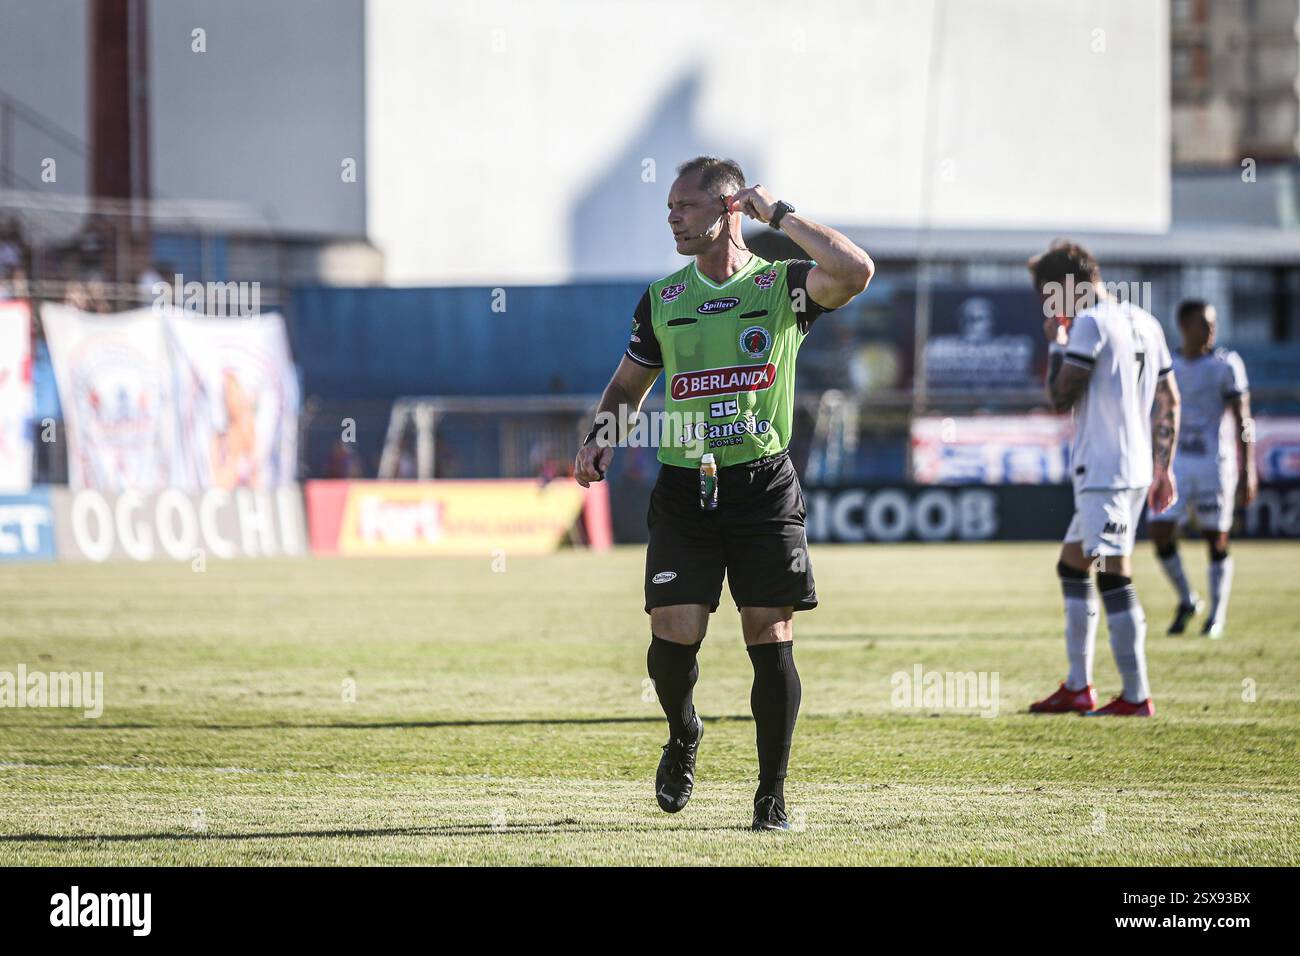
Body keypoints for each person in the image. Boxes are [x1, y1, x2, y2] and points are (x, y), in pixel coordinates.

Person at [572, 156, 874, 829]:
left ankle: (772, 796)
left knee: (768, 631)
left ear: (729, 209)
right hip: (686, 488)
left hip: (763, 486)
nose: (674, 217)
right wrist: (601, 435)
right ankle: (683, 733)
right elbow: (627, 386)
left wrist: (783, 215)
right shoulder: (662, 298)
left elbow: (855, 272)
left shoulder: (785, 287)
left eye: (686, 206)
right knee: (672, 633)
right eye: (671, 208)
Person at [1026, 241, 1180, 717]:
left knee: (1114, 575)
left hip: (1105, 471)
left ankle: (1136, 695)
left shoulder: (1089, 324)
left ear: (1063, 289)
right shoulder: (1145, 321)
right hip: (1131, 469)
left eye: (1048, 296)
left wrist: (1056, 340)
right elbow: (1169, 399)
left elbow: (1059, 396)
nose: (1046, 307)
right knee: (1073, 566)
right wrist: (1163, 466)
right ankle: (1078, 686)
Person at [1148, 300, 1256, 638]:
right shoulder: (1168, 362)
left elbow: (1244, 419)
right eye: (1203, 324)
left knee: (1216, 538)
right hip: (1177, 464)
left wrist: (1248, 469)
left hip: (1214, 463)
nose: (1211, 331)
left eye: (1213, 324)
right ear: (1184, 326)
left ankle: (1216, 617)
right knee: (1160, 531)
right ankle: (1188, 599)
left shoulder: (1227, 365)